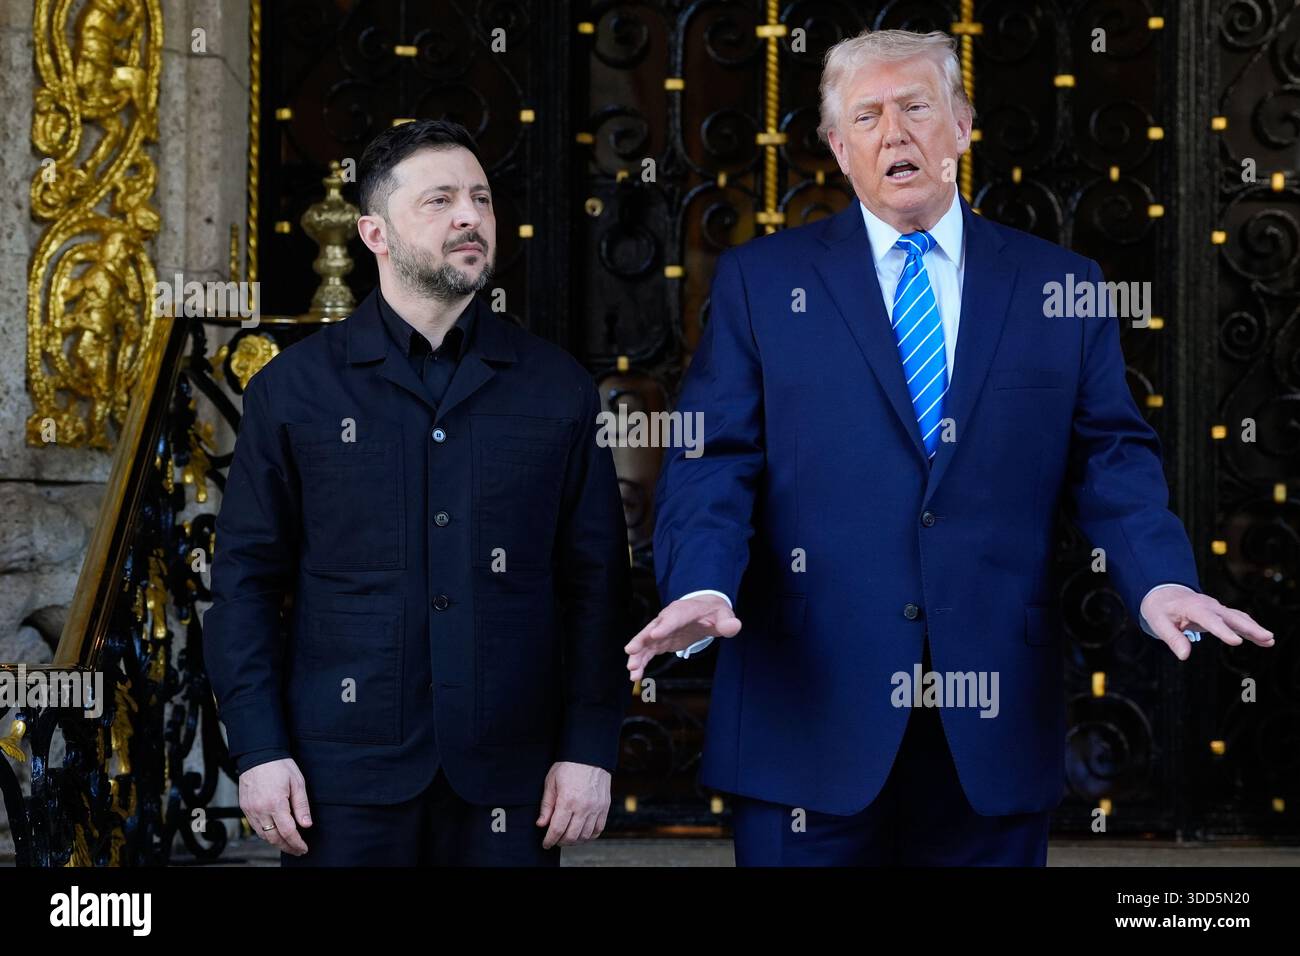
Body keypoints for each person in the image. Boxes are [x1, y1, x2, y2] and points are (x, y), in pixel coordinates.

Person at [624, 29, 1274, 866]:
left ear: (963, 126)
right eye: (867, 115)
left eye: (916, 107)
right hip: (807, 719)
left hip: (992, 724)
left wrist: (1161, 580)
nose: (894, 133)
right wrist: (703, 581)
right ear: (837, 147)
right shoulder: (760, 281)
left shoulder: (1059, 285)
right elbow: (715, 457)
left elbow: (1110, 455)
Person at [204, 119, 629, 866]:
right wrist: (260, 749)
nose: (471, 216)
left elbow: (596, 584)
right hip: (338, 783)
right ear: (374, 232)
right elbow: (244, 584)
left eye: (481, 199)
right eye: (439, 201)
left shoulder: (557, 387)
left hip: (513, 781)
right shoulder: (291, 392)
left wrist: (590, 748)